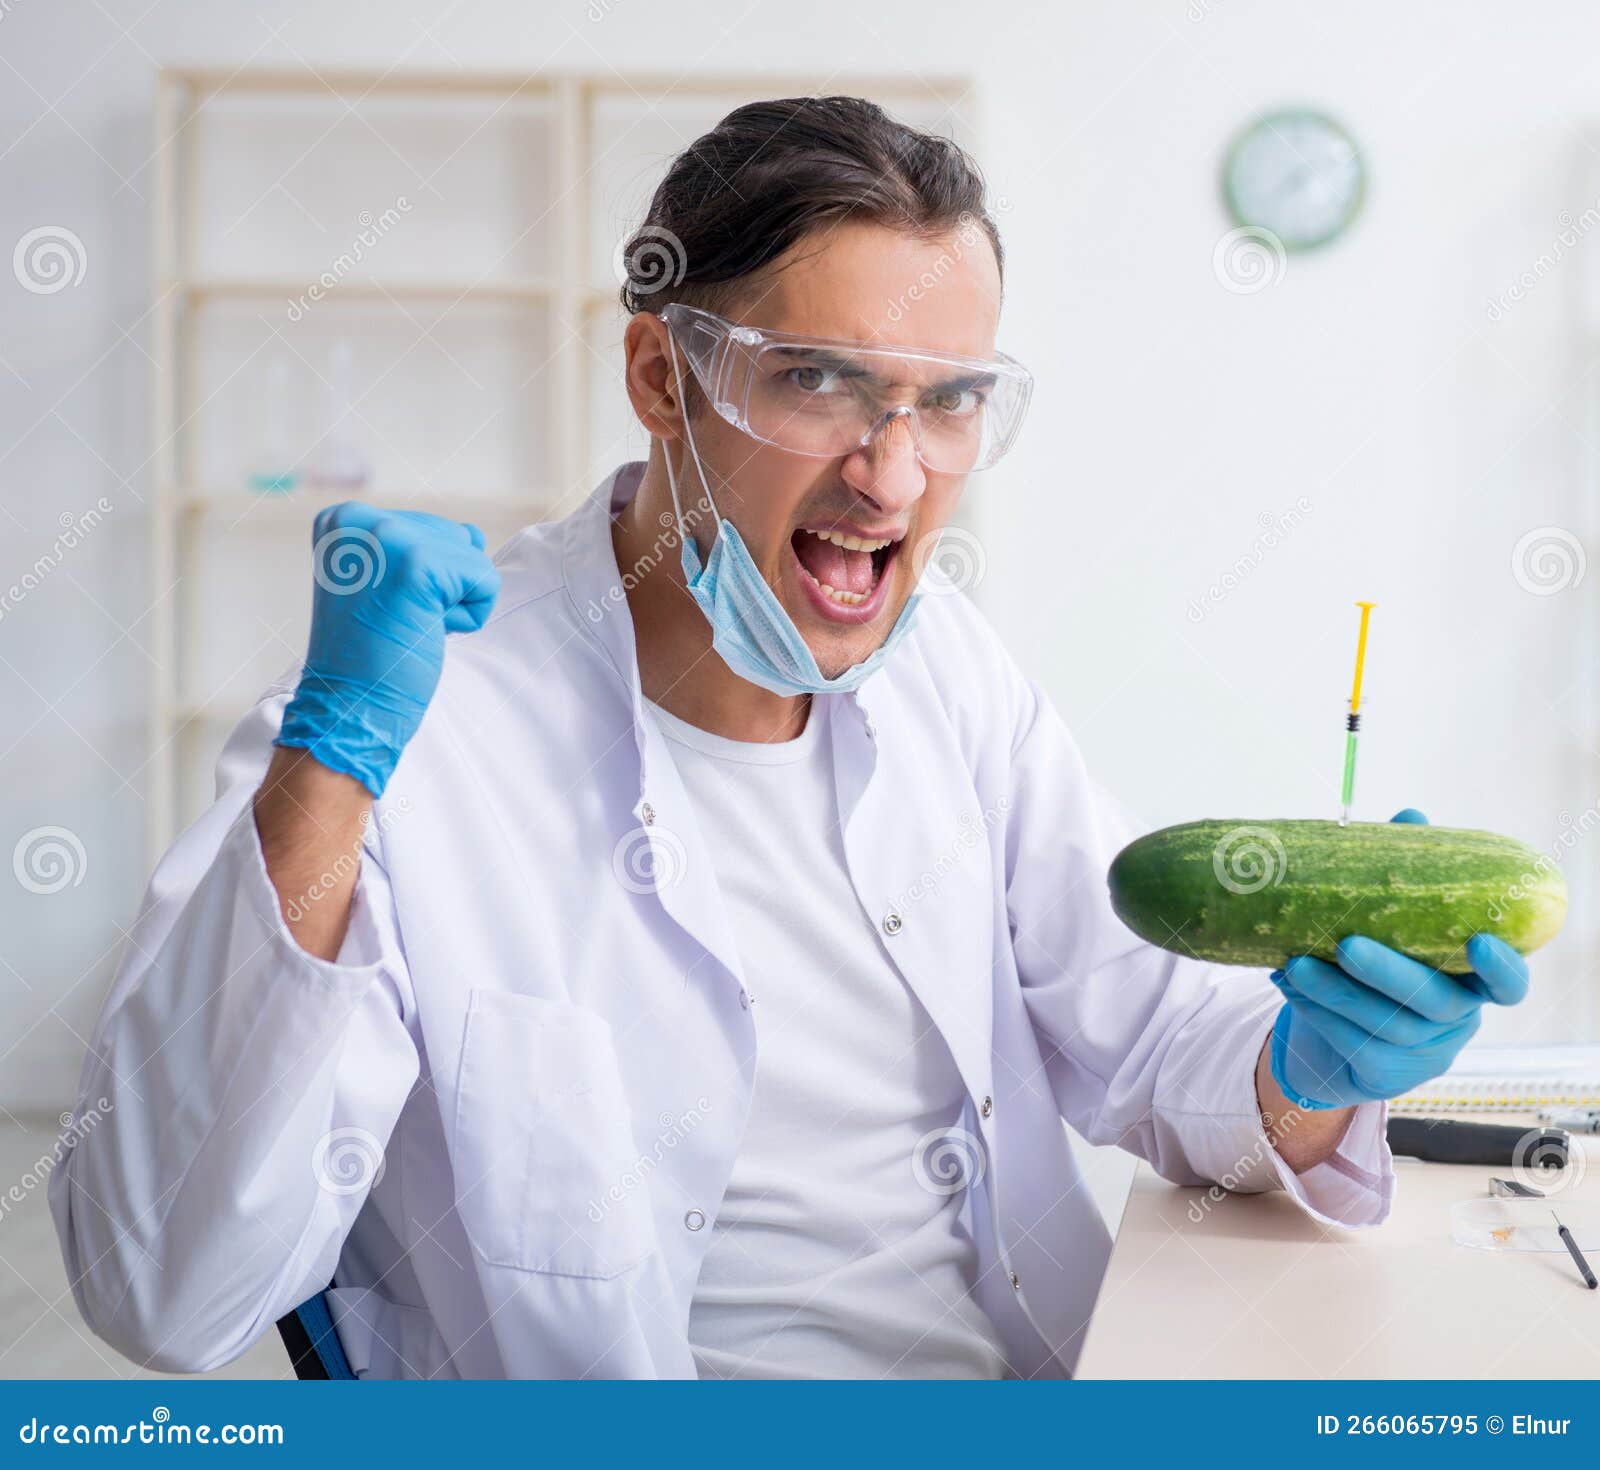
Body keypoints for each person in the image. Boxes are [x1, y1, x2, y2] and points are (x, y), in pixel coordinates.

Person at [50, 96, 1527, 1380]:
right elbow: (168, 1290)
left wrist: (1313, 1070)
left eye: (949, 404)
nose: (891, 475)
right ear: (659, 379)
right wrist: (330, 761)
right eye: (820, 382)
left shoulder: (951, 672)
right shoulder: (405, 737)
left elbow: (1143, 1037)